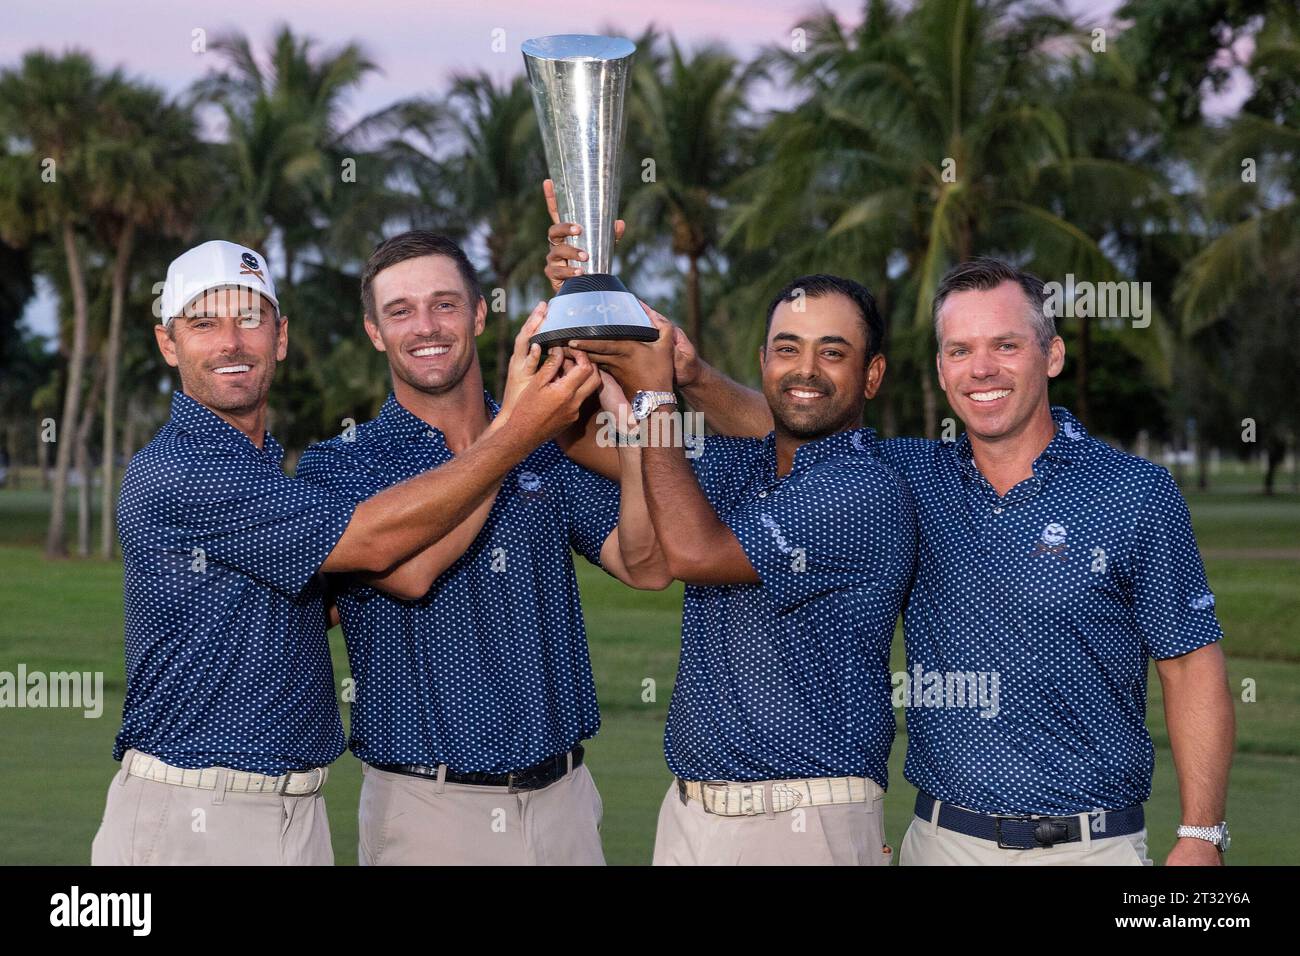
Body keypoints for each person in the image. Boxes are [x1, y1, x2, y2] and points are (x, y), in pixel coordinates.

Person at [555, 235, 1235, 865]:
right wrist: (690, 372)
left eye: (1006, 345)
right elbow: (805, 413)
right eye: (961, 351)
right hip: (940, 841)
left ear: (1051, 355)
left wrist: (1201, 834)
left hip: (1091, 845)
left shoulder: (1133, 492)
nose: (982, 369)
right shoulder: (915, 475)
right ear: (940, 368)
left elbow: (1191, 665)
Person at [91, 239, 598, 866]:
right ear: (170, 344)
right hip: (196, 812)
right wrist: (518, 429)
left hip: (291, 810)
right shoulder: (186, 470)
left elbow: (357, 579)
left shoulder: (267, 475)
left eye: (249, 319)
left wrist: (585, 301)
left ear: (279, 337)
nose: (230, 342)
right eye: (203, 324)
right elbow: (386, 550)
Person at [294, 231, 670, 865]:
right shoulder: (340, 466)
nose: (424, 327)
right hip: (431, 811)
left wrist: (631, 440)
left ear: (477, 313)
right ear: (374, 332)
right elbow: (409, 572)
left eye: (444, 304)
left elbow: (646, 564)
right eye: (400, 311)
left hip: (565, 802)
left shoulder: (547, 441)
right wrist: (515, 432)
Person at [559, 259, 917, 863]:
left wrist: (655, 397)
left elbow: (696, 554)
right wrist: (581, 300)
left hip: (805, 818)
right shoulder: (743, 465)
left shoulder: (862, 485)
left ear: (872, 374)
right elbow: (582, 435)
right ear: (763, 361)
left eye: (832, 352)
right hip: (692, 815)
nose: (804, 370)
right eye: (787, 348)